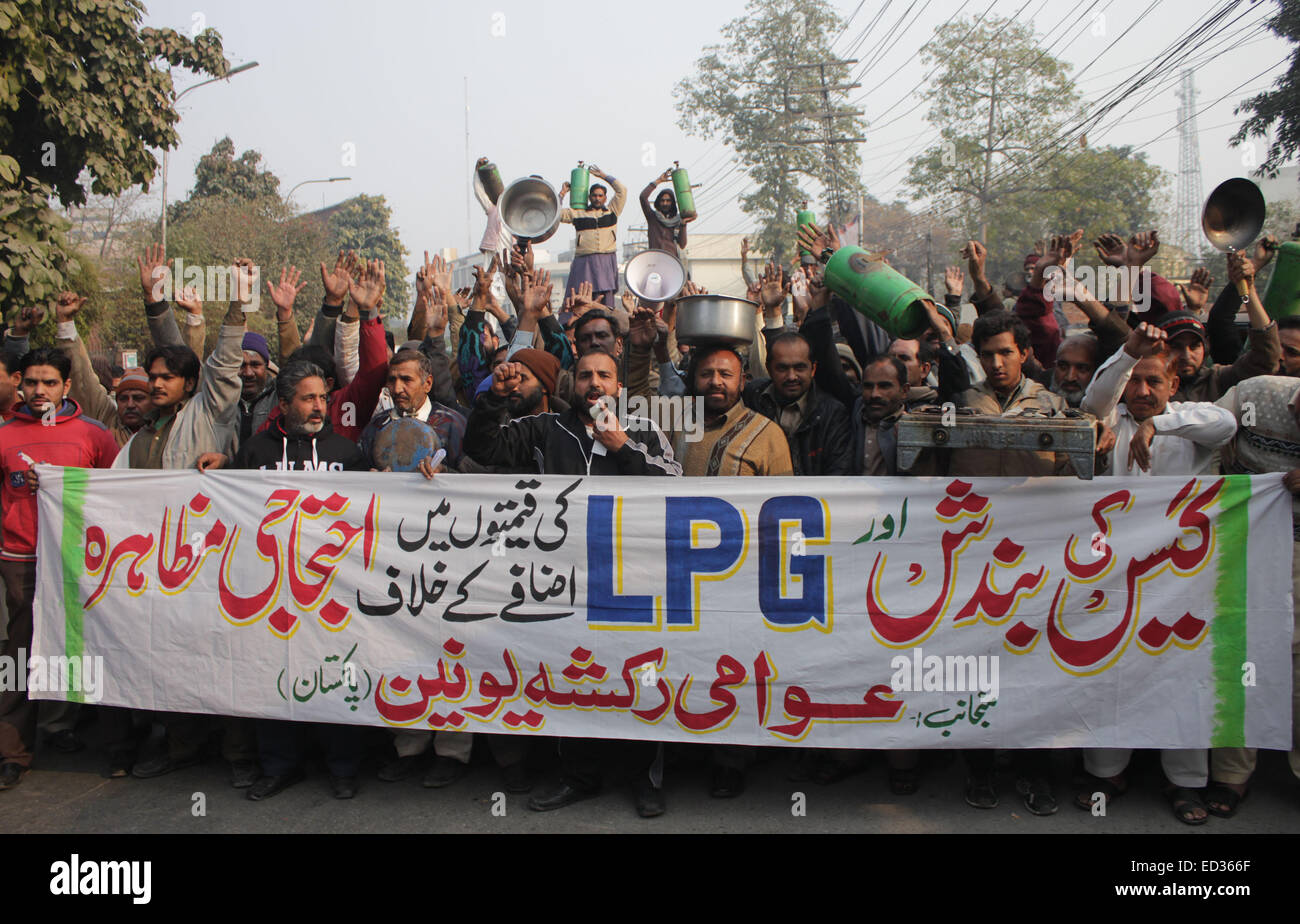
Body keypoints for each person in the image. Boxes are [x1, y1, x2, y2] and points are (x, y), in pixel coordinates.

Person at [464, 349, 679, 817]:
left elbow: (676, 485)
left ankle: (644, 780)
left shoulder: (642, 430)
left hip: (630, 580)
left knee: (639, 676)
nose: (595, 383)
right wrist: (492, 403)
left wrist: (621, 446)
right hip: (560, 581)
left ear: (619, 387)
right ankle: (579, 776)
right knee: (573, 673)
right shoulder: (546, 429)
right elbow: (482, 449)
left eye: (604, 375)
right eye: (585, 376)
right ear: (571, 384)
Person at [1075, 322, 1236, 824]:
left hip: (1181, 580)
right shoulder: (1107, 420)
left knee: (1182, 676)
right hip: (1111, 578)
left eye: (1155, 383)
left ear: (1174, 385)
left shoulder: (1190, 420)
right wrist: (1128, 354)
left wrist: (1158, 425)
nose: (1142, 392)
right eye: (1135, 382)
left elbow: (1225, 426)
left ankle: (1184, 782)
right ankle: (1108, 772)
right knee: (1108, 671)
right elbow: (1095, 397)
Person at [212, 362, 369, 800]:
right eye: (308, 398)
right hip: (271, 589)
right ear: (283, 404)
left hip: (332, 590)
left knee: (336, 674)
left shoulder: (346, 453)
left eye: (323, 397)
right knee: (272, 674)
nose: (319, 406)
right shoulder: (255, 452)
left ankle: (342, 767)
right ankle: (279, 766)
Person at [0, 348, 118, 790]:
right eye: (31, 382)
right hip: (22, 561)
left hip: (81, 562)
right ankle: (13, 751)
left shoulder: (95, 434)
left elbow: (118, 495)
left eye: (49, 383)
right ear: (18, 383)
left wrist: (62, 483)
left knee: (96, 647)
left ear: (66, 387)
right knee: (20, 654)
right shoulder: (4, 434)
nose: (39, 391)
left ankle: (112, 744)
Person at [1207, 372, 1300, 818]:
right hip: (1245, 542)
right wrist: (1156, 425)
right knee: (1238, 654)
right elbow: (1208, 424)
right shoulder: (1256, 393)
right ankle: (1231, 775)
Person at [1156, 251, 1279, 404]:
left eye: (1194, 347)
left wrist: (1249, 290)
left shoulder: (1218, 379)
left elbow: (1265, 359)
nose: (1186, 356)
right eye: (1176, 347)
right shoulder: (1147, 384)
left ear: (1206, 346)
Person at [743, 332, 853, 476]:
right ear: (769, 369)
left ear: (813, 369)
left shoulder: (832, 413)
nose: (791, 376)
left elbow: (839, 472)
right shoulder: (753, 396)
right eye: (782, 368)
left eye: (800, 368)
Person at [51, 291, 153, 445]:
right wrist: (65, 323)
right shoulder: (108, 420)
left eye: (139, 398)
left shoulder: (166, 431)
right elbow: (83, 381)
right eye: (123, 398)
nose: (130, 405)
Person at [359, 349, 467, 471]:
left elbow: (471, 480)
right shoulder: (376, 426)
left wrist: (443, 471)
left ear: (427, 383)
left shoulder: (453, 425)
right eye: (392, 380)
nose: (397, 389)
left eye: (406, 380)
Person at [559, 164, 626, 306]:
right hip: (585, 261)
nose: (597, 198)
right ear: (589, 197)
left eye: (600, 196)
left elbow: (622, 190)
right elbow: (556, 214)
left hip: (607, 260)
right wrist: (562, 194)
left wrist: (603, 175)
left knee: (606, 298)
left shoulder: (612, 210)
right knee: (582, 295)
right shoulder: (578, 213)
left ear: (605, 197)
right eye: (594, 195)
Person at [640, 168, 693, 258]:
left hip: (671, 261)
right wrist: (659, 181)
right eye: (662, 200)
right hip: (655, 260)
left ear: (672, 203)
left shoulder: (677, 220)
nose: (665, 203)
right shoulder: (652, 217)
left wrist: (683, 225)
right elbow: (643, 197)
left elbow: (682, 244)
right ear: (658, 202)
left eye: (668, 201)